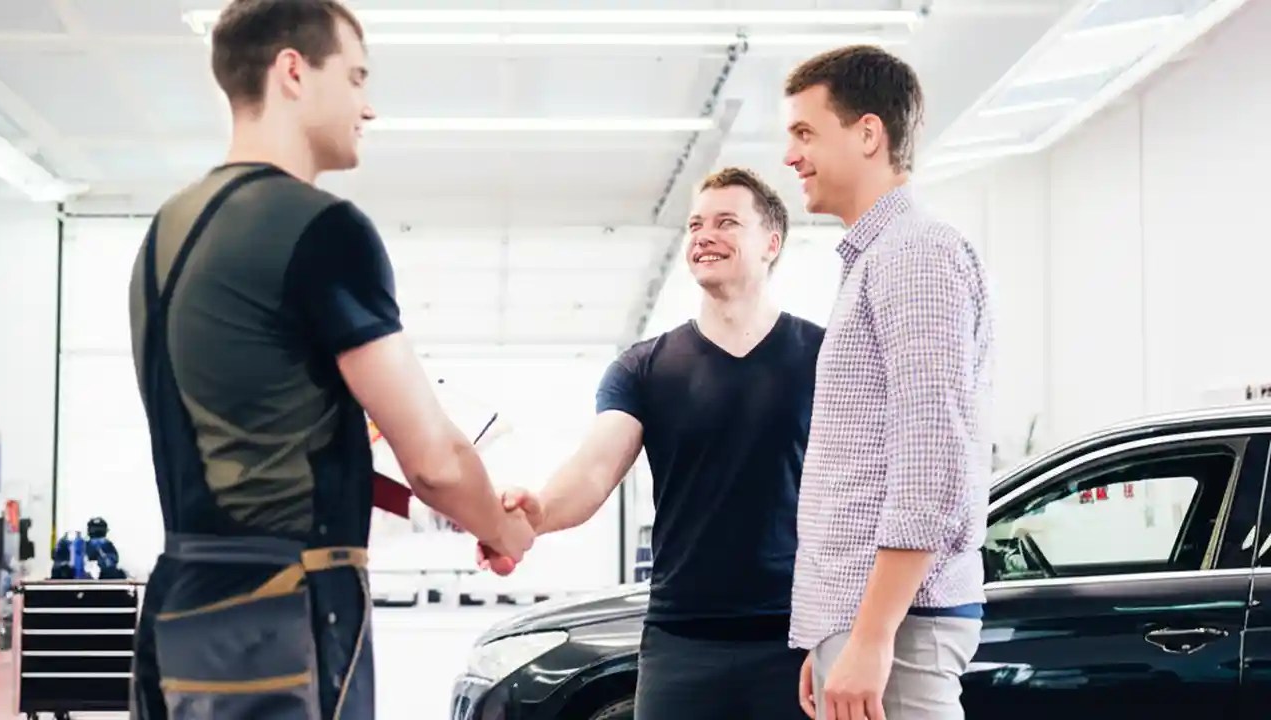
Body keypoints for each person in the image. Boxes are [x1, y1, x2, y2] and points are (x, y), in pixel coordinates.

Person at [125, 1, 534, 717]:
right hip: (285, 610)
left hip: (180, 601)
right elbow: (433, 457)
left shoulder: (165, 233)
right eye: (354, 77)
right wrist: (501, 531)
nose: (367, 106)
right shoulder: (321, 229)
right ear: (292, 71)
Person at [481, 167, 825, 720]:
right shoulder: (644, 367)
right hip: (679, 644)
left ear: (771, 243)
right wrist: (534, 515)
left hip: (794, 644)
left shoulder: (824, 357)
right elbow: (594, 471)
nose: (703, 235)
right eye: (695, 224)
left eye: (726, 222)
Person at [781, 45, 994, 720]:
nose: (791, 156)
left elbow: (933, 462)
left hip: (902, 627)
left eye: (805, 132)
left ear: (868, 133)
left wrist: (871, 640)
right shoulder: (876, 258)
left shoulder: (916, 253)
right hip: (869, 625)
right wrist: (829, 638)